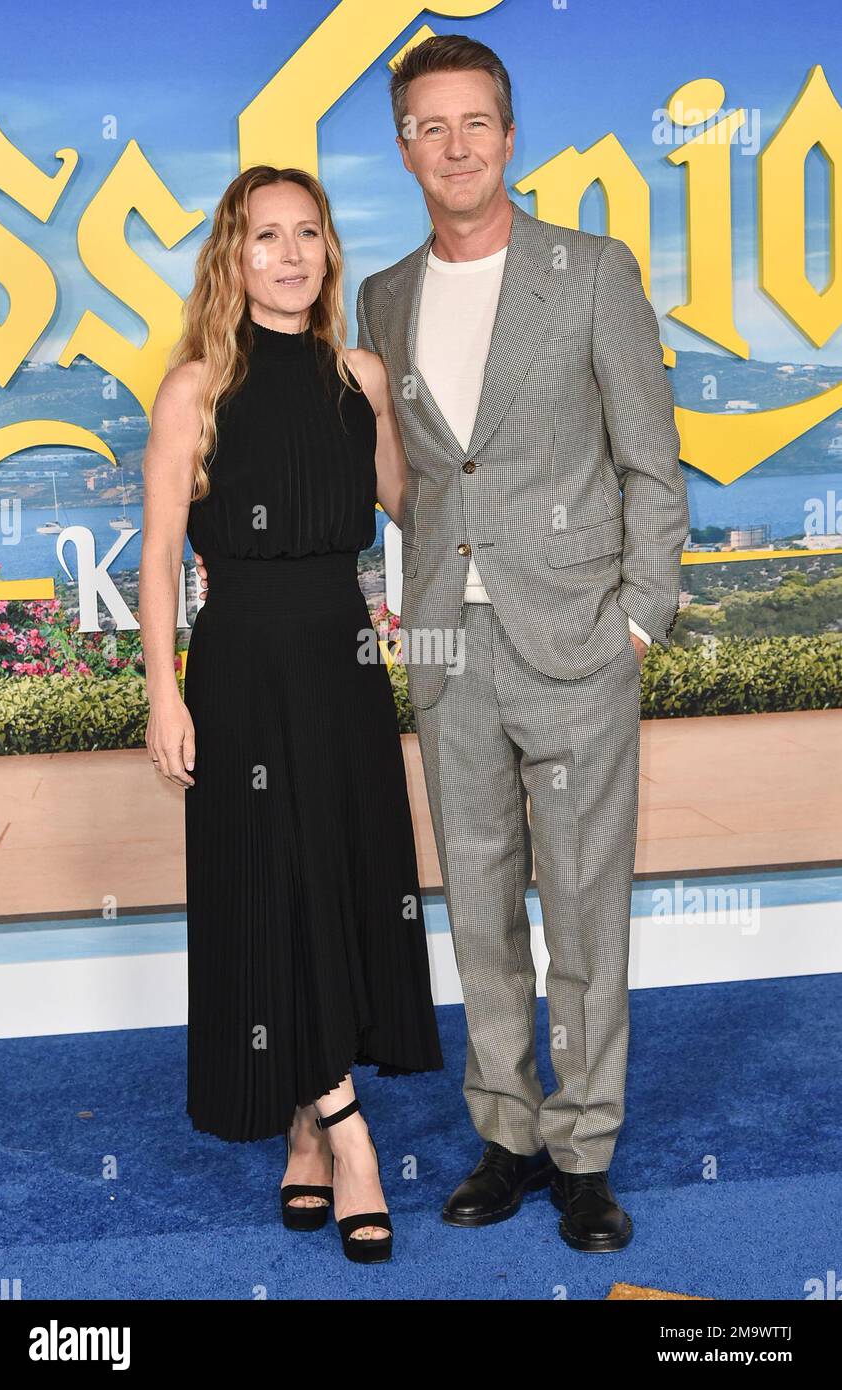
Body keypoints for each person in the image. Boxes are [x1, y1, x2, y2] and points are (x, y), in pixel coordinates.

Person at [196, 33, 689, 1254]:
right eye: (429, 126)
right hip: (443, 654)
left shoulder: (588, 271)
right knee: (475, 905)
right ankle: (507, 1135)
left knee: (579, 907)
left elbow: (651, 464)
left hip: (576, 641)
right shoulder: (382, 301)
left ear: (508, 138)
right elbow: (409, 482)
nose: (454, 145)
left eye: (475, 123)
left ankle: (583, 1153)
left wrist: (637, 619)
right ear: (405, 147)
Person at [139, 165, 443, 1265]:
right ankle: (350, 1135)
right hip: (240, 671)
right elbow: (162, 558)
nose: (289, 253)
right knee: (273, 881)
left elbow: (413, 501)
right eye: (265, 235)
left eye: (307, 232)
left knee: (340, 881)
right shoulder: (194, 386)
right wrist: (162, 691)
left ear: (327, 250)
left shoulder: (357, 371)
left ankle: (305, 1131)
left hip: (341, 659)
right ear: (232, 255)